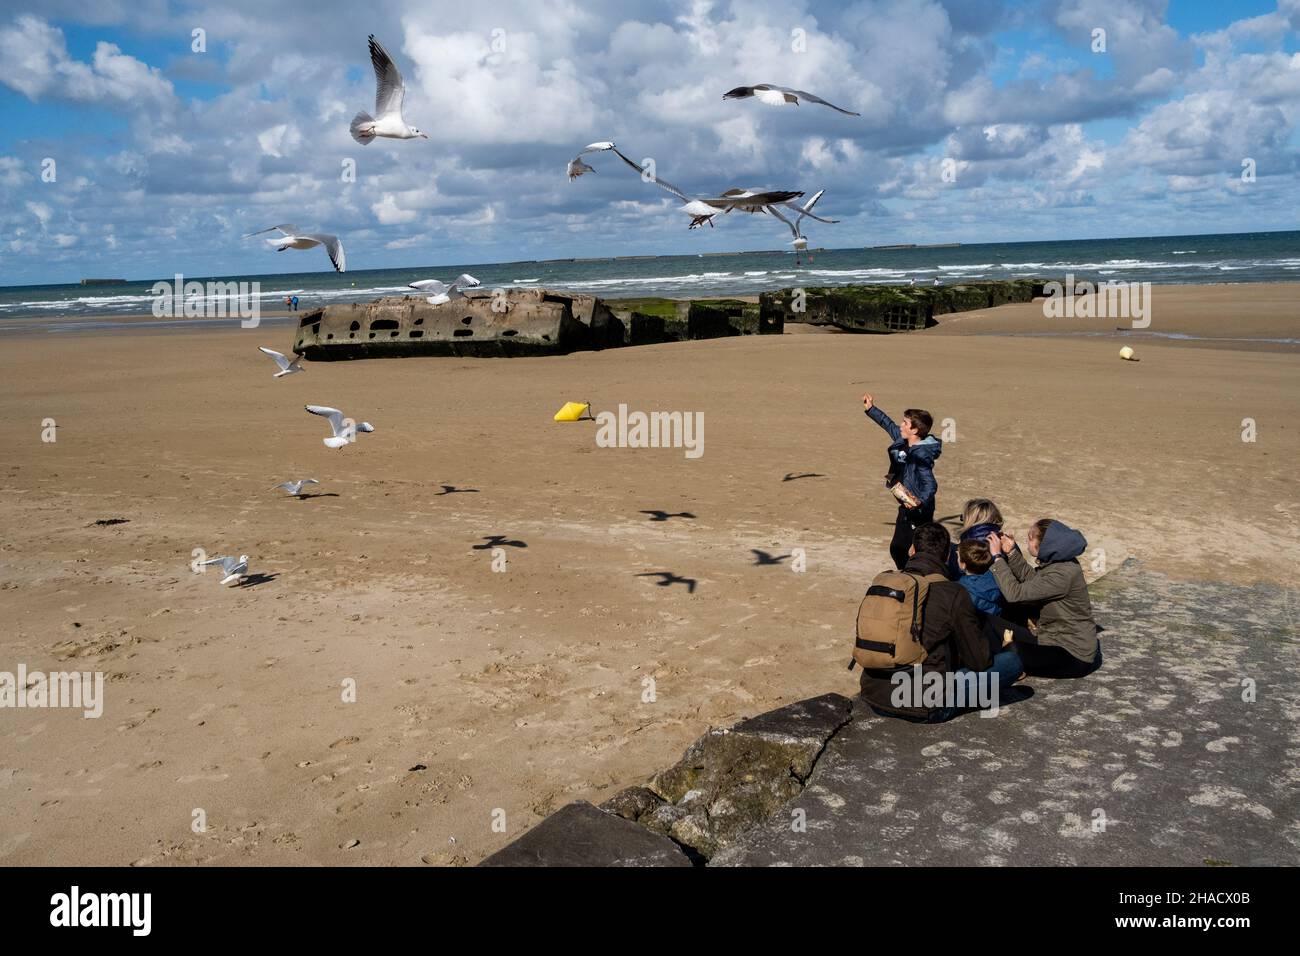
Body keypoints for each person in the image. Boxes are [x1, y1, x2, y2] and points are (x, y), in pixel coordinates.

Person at [858, 522, 1022, 723]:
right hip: (926, 702)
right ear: (947, 557)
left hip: (873, 693)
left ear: (912, 550)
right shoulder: (953, 592)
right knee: (1012, 663)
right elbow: (979, 661)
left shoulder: (884, 582)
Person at [987, 519, 1102, 678]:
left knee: (1012, 651)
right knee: (986, 621)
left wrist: (997, 558)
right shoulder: (1061, 563)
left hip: (1072, 654)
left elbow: (1015, 593)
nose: (1026, 540)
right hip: (1050, 639)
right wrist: (1011, 552)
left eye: (1030, 537)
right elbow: (1033, 581)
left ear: (1043, 544)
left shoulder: (1062, 574)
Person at [862, 393, 942, 570]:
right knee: (900, 548)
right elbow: (888, 425)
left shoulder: (922, 455)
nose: (901, 425)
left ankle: (914, 574)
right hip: (905, 504)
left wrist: (918, 501)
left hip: (918, 510)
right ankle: (910, 572)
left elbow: (931, 485)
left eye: (905, 423)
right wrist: (871, 409)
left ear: (914, 430)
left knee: (906, 549)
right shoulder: (903, 441)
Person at [946, 497, 1004, 579]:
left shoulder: (965, 548)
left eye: (963, 518)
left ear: (970, 520)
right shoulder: (1007, 543)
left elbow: (956, 575)